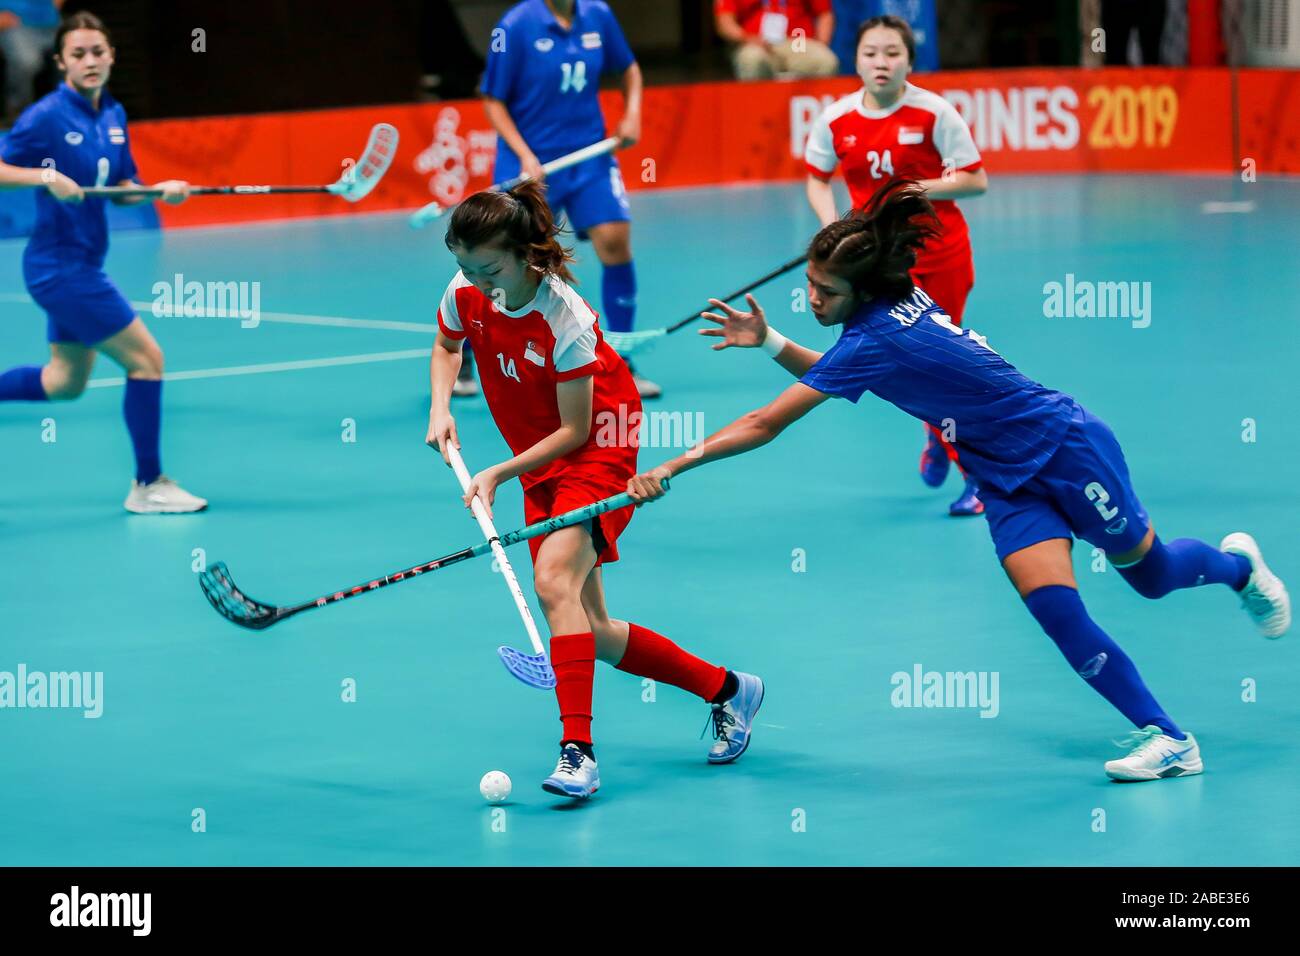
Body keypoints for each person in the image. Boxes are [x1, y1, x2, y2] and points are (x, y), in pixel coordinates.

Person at [627, 180, 1290, 782]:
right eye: (808, 283)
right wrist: (772, 340)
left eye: (824, 292)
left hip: (1066, 449)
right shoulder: (883, 315)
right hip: (1003, 477)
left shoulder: (873, 339)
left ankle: (1238, 569)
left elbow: (767, 422)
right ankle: (1170, 737)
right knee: (1057, 610)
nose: (812, 297)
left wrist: (674, 464)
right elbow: (833, 373)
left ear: (860, 293)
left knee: (1151, 576)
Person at [426, 181, 763, 800]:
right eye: (463, 265)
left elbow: (576, 429)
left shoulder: (565, 316)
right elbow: (447, 346)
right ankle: (729, 689)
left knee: (554, 583)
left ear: (526, 254)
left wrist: (498, 470)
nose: (476, 279)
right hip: (539, 454)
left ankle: (577, 753)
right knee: (590, 627)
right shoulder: (467, 288)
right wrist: (440, 409)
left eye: (489, 267)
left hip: (598, 444)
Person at [0, 10, 206, 513]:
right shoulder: (46, 116)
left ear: (111, 56)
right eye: (78, 54)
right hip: (59, 269)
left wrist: (160, 192)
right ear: (61, 62)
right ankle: (148, 485)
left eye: (98, 52)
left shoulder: (112, 114)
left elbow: (122, 191)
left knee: (63, 383)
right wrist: (44, 179)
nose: (90, 61)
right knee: (147, 361)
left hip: (84, 264)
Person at [806, 15, 988, 515]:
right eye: (870, 53)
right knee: (907, 365)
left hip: (942, 255)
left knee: (942, 366)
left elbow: (975, 180)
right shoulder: (836, 119)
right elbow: (817, 178)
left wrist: (913, 190)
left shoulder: (935, 113)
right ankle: (938, 433)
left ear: (910, 59)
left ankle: (973, 473)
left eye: (892, 53)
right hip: (878, 266)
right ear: (856, 60)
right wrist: (831, 228)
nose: (881, 62)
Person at [462, 0, 661, 400]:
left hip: (589, 157)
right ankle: (468, 353)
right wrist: (524, 154)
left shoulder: (598, 15)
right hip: (531, 165)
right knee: (513, 263)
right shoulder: (514, 26)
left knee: (615, 240)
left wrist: (632, 113)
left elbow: (629, 68)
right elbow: (492, 99)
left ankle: (623, 358)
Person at [715, 0, 839, 79]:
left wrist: (822, 42)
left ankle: (819, 117)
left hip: (797, 42)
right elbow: (725, 22)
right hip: (756, 42)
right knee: (751, 59)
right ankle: (755, 114)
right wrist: (747, 38)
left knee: (825, 60)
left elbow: (825, 14)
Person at [0, 0, 61, 123]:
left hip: (52, 24)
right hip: (15, 26)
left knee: (75, 60)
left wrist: (53, 7)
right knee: (26, 62)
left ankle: (75, 111)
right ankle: (19, 112)